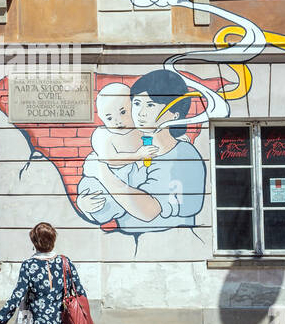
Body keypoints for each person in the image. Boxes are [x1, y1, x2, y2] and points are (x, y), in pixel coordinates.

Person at [76, 69, 208, 234]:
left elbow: (149, 211)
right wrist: (87, 205)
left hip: (167, 244)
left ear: (174, 115)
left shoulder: (183, 156)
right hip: (128, 247)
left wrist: (102, 173)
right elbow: (111, 202)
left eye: (151, 105)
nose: (140, 112)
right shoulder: (130, 149)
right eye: (137, 103)